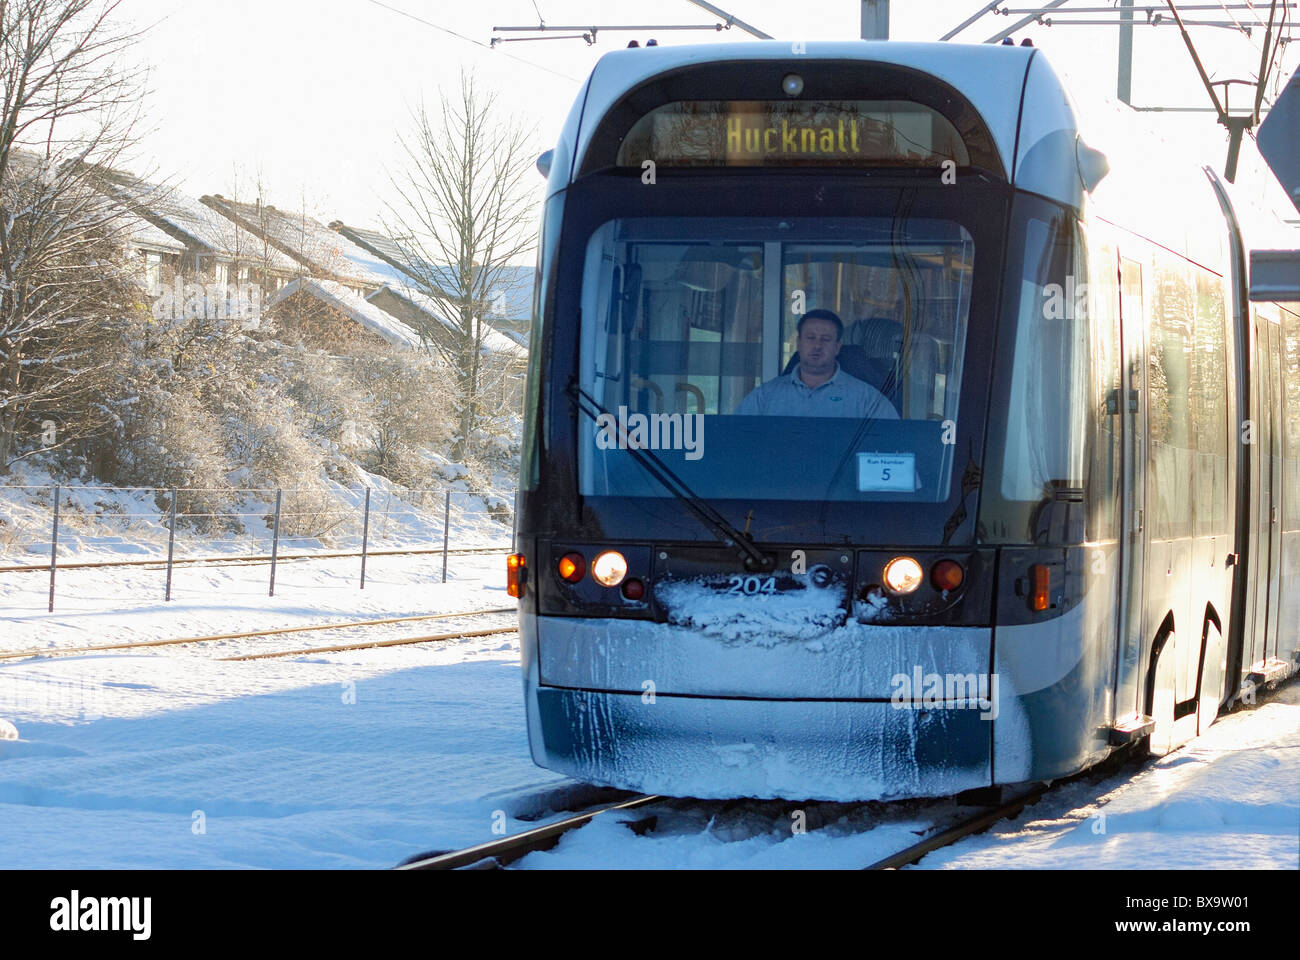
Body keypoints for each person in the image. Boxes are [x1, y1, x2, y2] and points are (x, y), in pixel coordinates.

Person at [735, 308, 899, 419]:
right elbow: (737, 440)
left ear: (837, 347)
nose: (817, 345)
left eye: (825, 339)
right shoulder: (765, 396)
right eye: (810, 338)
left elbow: (893, 451)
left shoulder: (867, 400)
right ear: (798, 343)